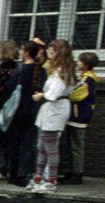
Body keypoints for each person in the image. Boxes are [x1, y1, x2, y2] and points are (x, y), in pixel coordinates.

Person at [28, 39, 75, 193]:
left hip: (56, 110)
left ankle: (50, 180)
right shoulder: (61, 70)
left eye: (53, 52)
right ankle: (38, 177)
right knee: (42, 146)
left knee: (50, 147)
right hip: (52, 110)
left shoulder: (62, 72)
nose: (50, 55)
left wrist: (41, 95)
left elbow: (53, 94)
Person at [3, 40, 44, 187]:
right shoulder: (40, 70)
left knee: (15, 143)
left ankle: (12, 173)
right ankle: (23, 173)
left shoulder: (19, 70)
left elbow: (8, 88)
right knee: (27, 144)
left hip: (18, 111)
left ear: (26, 52)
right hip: (33, 112)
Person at [61, 52, 99, 185]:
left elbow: (76, 95)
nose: (77, 63)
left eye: (79, 61)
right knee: (72, 145)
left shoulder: (88, 79)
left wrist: (66, 93)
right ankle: (72, 170)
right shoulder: (83, 77)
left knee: (77, 146)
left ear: (85, 64)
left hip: (80, 116)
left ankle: (77, 173)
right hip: (75, 116)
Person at [0, 40, 21, 181]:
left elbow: (3, 88)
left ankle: (0, 167)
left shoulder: (4, 69)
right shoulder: (15, 68)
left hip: (1, 107)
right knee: (1, 139)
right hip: (4, 107)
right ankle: (2, 167)